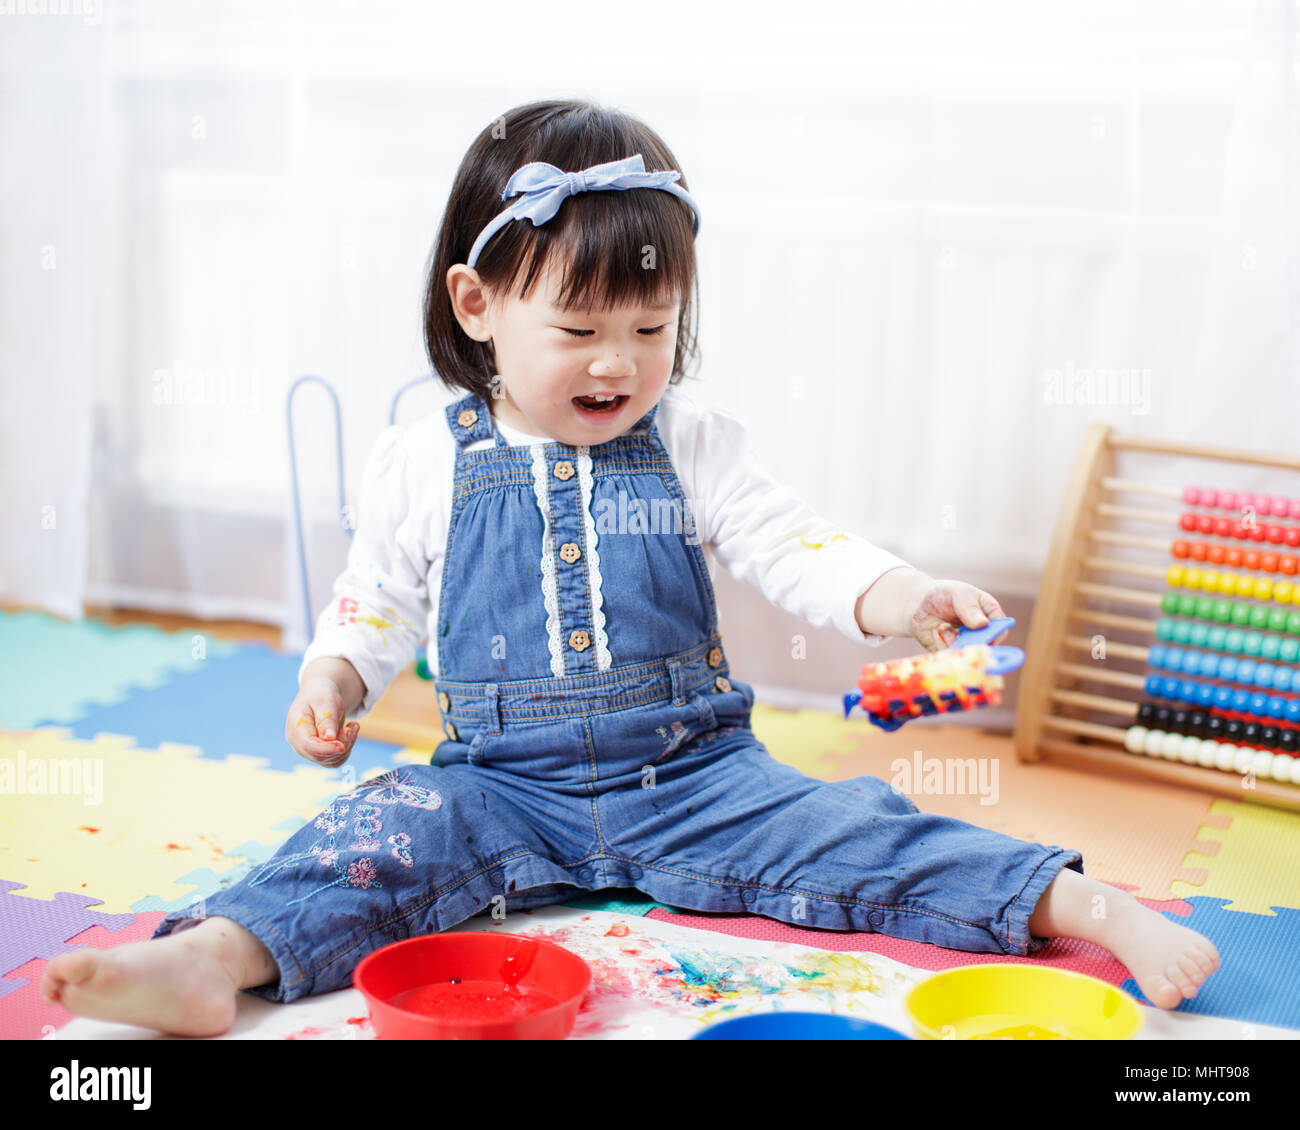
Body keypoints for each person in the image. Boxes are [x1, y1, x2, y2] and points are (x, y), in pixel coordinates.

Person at [42, 99, 1218, 1037]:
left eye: (651, 329)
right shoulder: (424, 458)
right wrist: (336, 677)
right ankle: (208, 959)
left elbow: (790, 540)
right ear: (479, 303)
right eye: (580, 329)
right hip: (501, 787)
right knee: (373, 835)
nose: (620, 363)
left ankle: (1085, 903)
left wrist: (902, 598)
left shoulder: (692, 440)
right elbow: (378, 592)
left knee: (855, 827)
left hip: (696, 778)